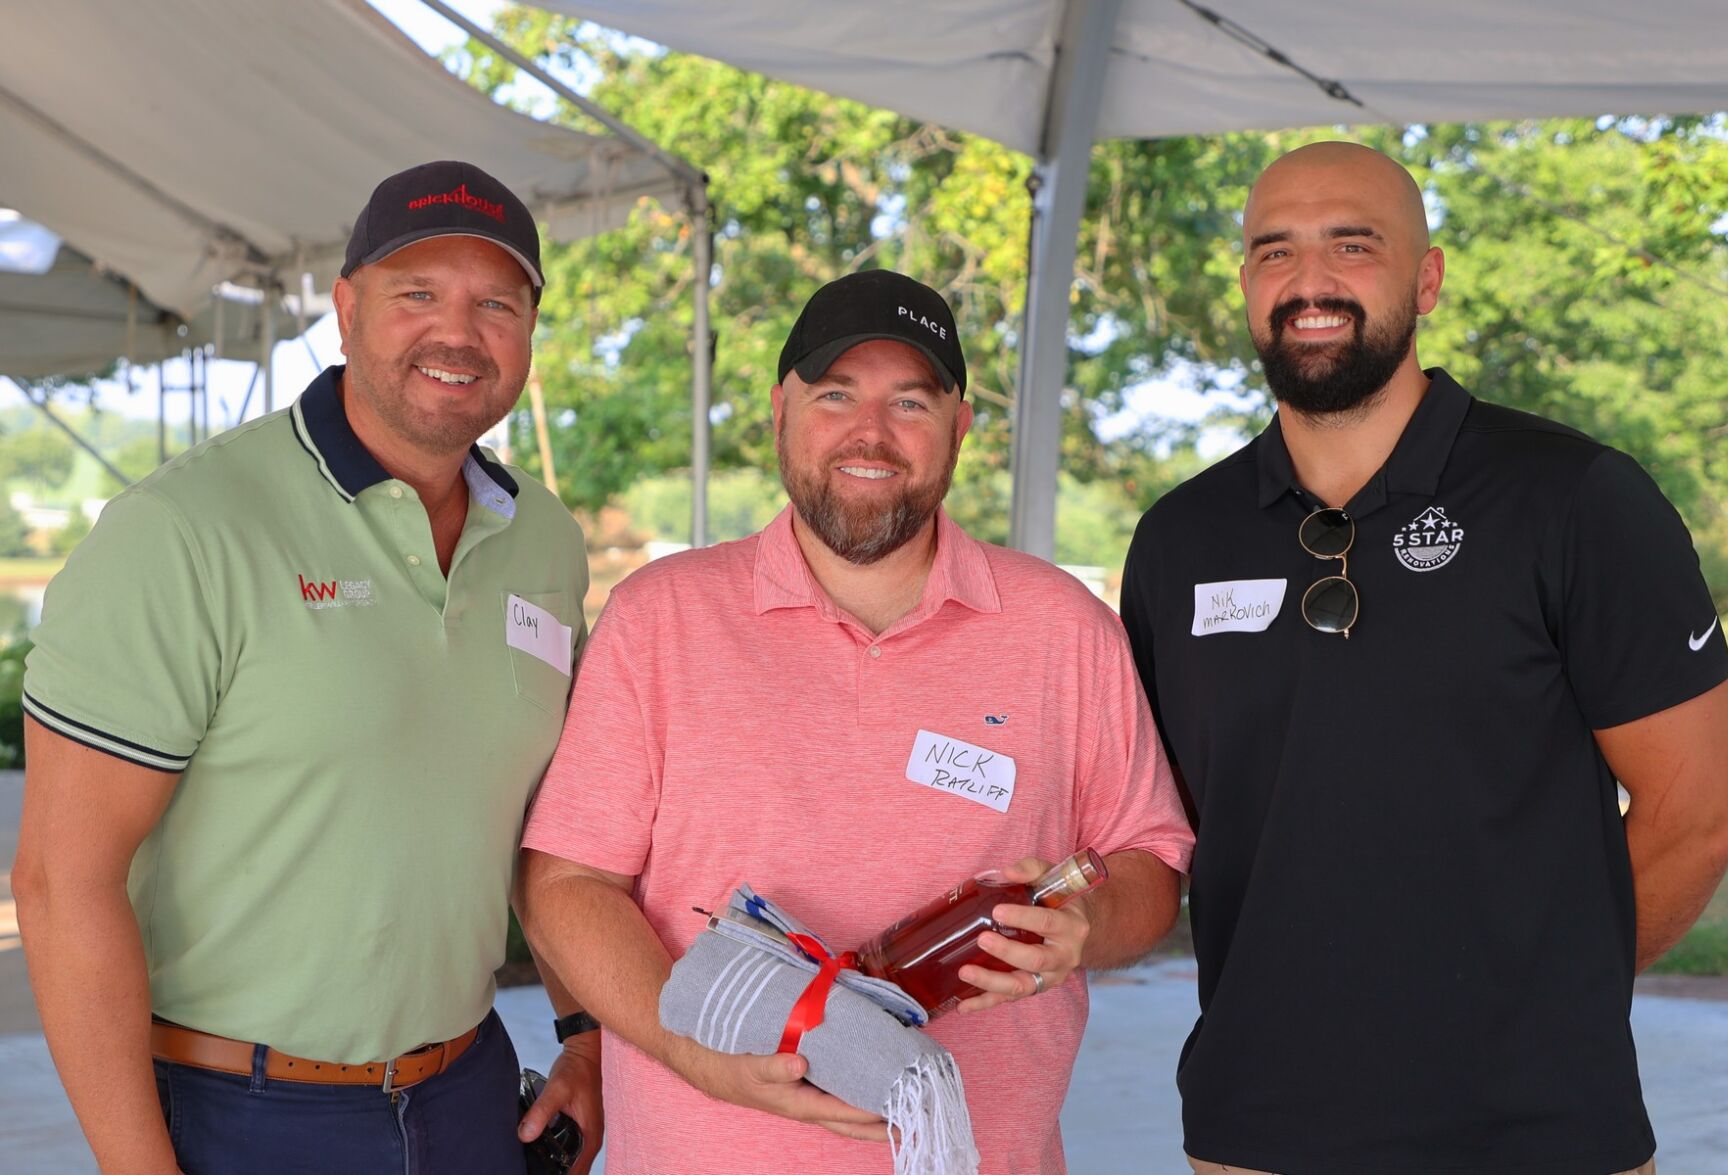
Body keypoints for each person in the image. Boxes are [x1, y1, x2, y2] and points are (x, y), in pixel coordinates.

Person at [1119, 141, 1728, 1175]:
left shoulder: (1576, 500)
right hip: (1254, 1132)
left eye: (1350, 244)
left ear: (1426, 278)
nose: (1307, 282)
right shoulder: (1180, 538)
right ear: (1243, 283)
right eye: (1271, 252)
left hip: (1534, 1133)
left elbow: (1701, 812)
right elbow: (1158, 825)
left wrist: (1534, 1002)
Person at [515, 268, 1195, 1174]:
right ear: (779, 412)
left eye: (909, 402)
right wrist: (699, 1058)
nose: (868, 432)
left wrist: (1086, 926)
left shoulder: (1061, 627)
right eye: (835, 394)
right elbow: (565, 884)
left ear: (958, 429)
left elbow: (1149, 863)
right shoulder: (660, 618)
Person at [15, 161, 603, 1174]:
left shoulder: (543, 539)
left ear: (529, 328)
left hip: (470, 1096)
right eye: (416, 293)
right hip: (238, 1112)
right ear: (344, 307)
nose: (456, 333)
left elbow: (549, 825)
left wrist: (583, 1029)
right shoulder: (185, 530)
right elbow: (63, 883)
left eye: (494, 303)